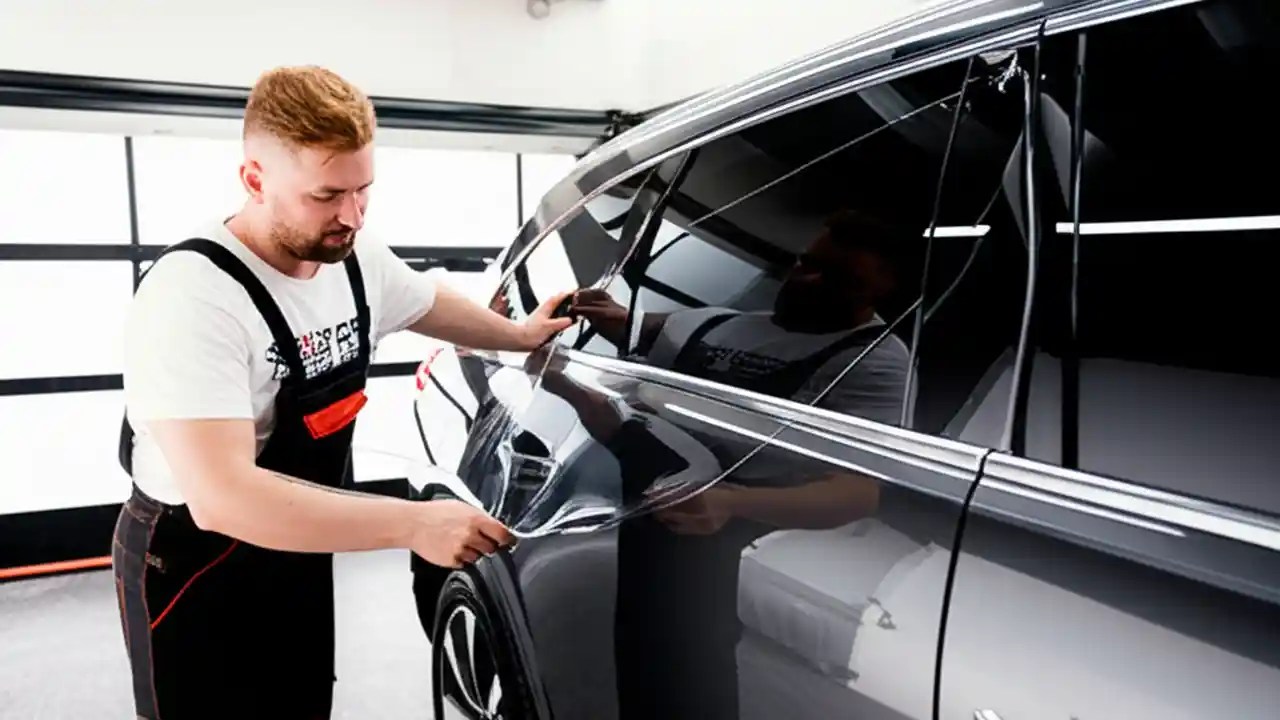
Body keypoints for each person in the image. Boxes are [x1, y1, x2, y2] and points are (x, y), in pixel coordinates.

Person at [110, 65, 572, 720]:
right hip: (194, 561)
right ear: (254, 179)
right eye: (327, 195)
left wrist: (519, 336)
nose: (351, 216)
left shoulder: (354, 258)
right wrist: (414, 524)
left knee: (298, 703)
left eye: (364, 191)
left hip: (293, 549)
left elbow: (424, 300)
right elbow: (222, 497)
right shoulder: (193, 296)